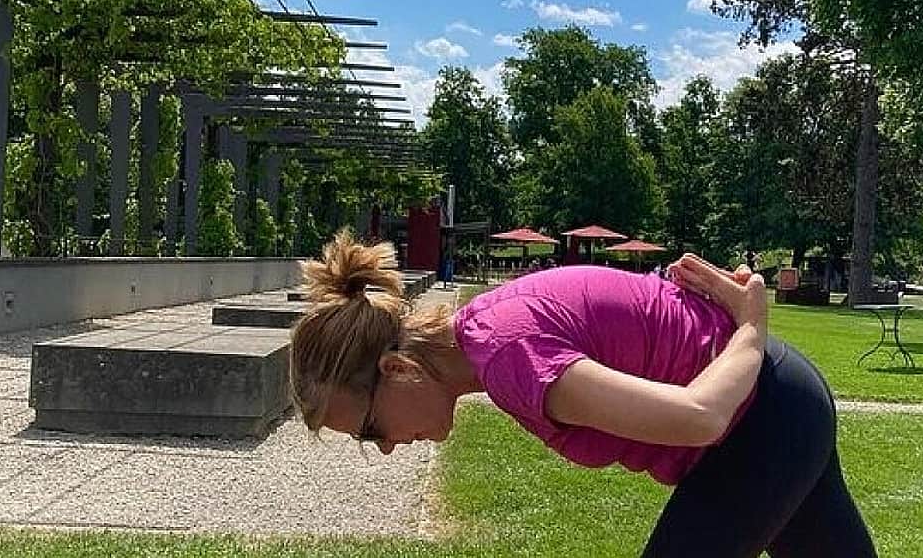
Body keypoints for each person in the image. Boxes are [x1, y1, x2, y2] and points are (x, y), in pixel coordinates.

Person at [289, 229, 876, 557]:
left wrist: (751, 324)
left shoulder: (509, 355)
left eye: (370, 430)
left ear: (395, 369)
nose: (387, 448)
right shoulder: (489, 337)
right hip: (776, 402)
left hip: (759, 414)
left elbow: (701, 416)